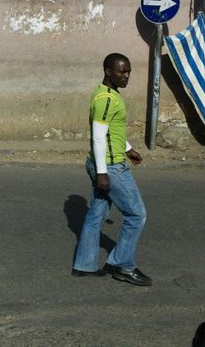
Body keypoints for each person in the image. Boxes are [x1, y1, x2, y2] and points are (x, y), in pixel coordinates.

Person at [71, 53, 151, 287]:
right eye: (121, 71)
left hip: (109, 161)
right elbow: (98, 136)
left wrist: (128, 148)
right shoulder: (105, 99)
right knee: (136, 215)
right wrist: (103, 172)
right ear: (108, 71)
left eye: (128, 72)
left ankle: (84, 265)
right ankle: (122, 265)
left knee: (96, 214)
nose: (126, 76)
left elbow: (110, 132)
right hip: (110, 166)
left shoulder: (110, 95)